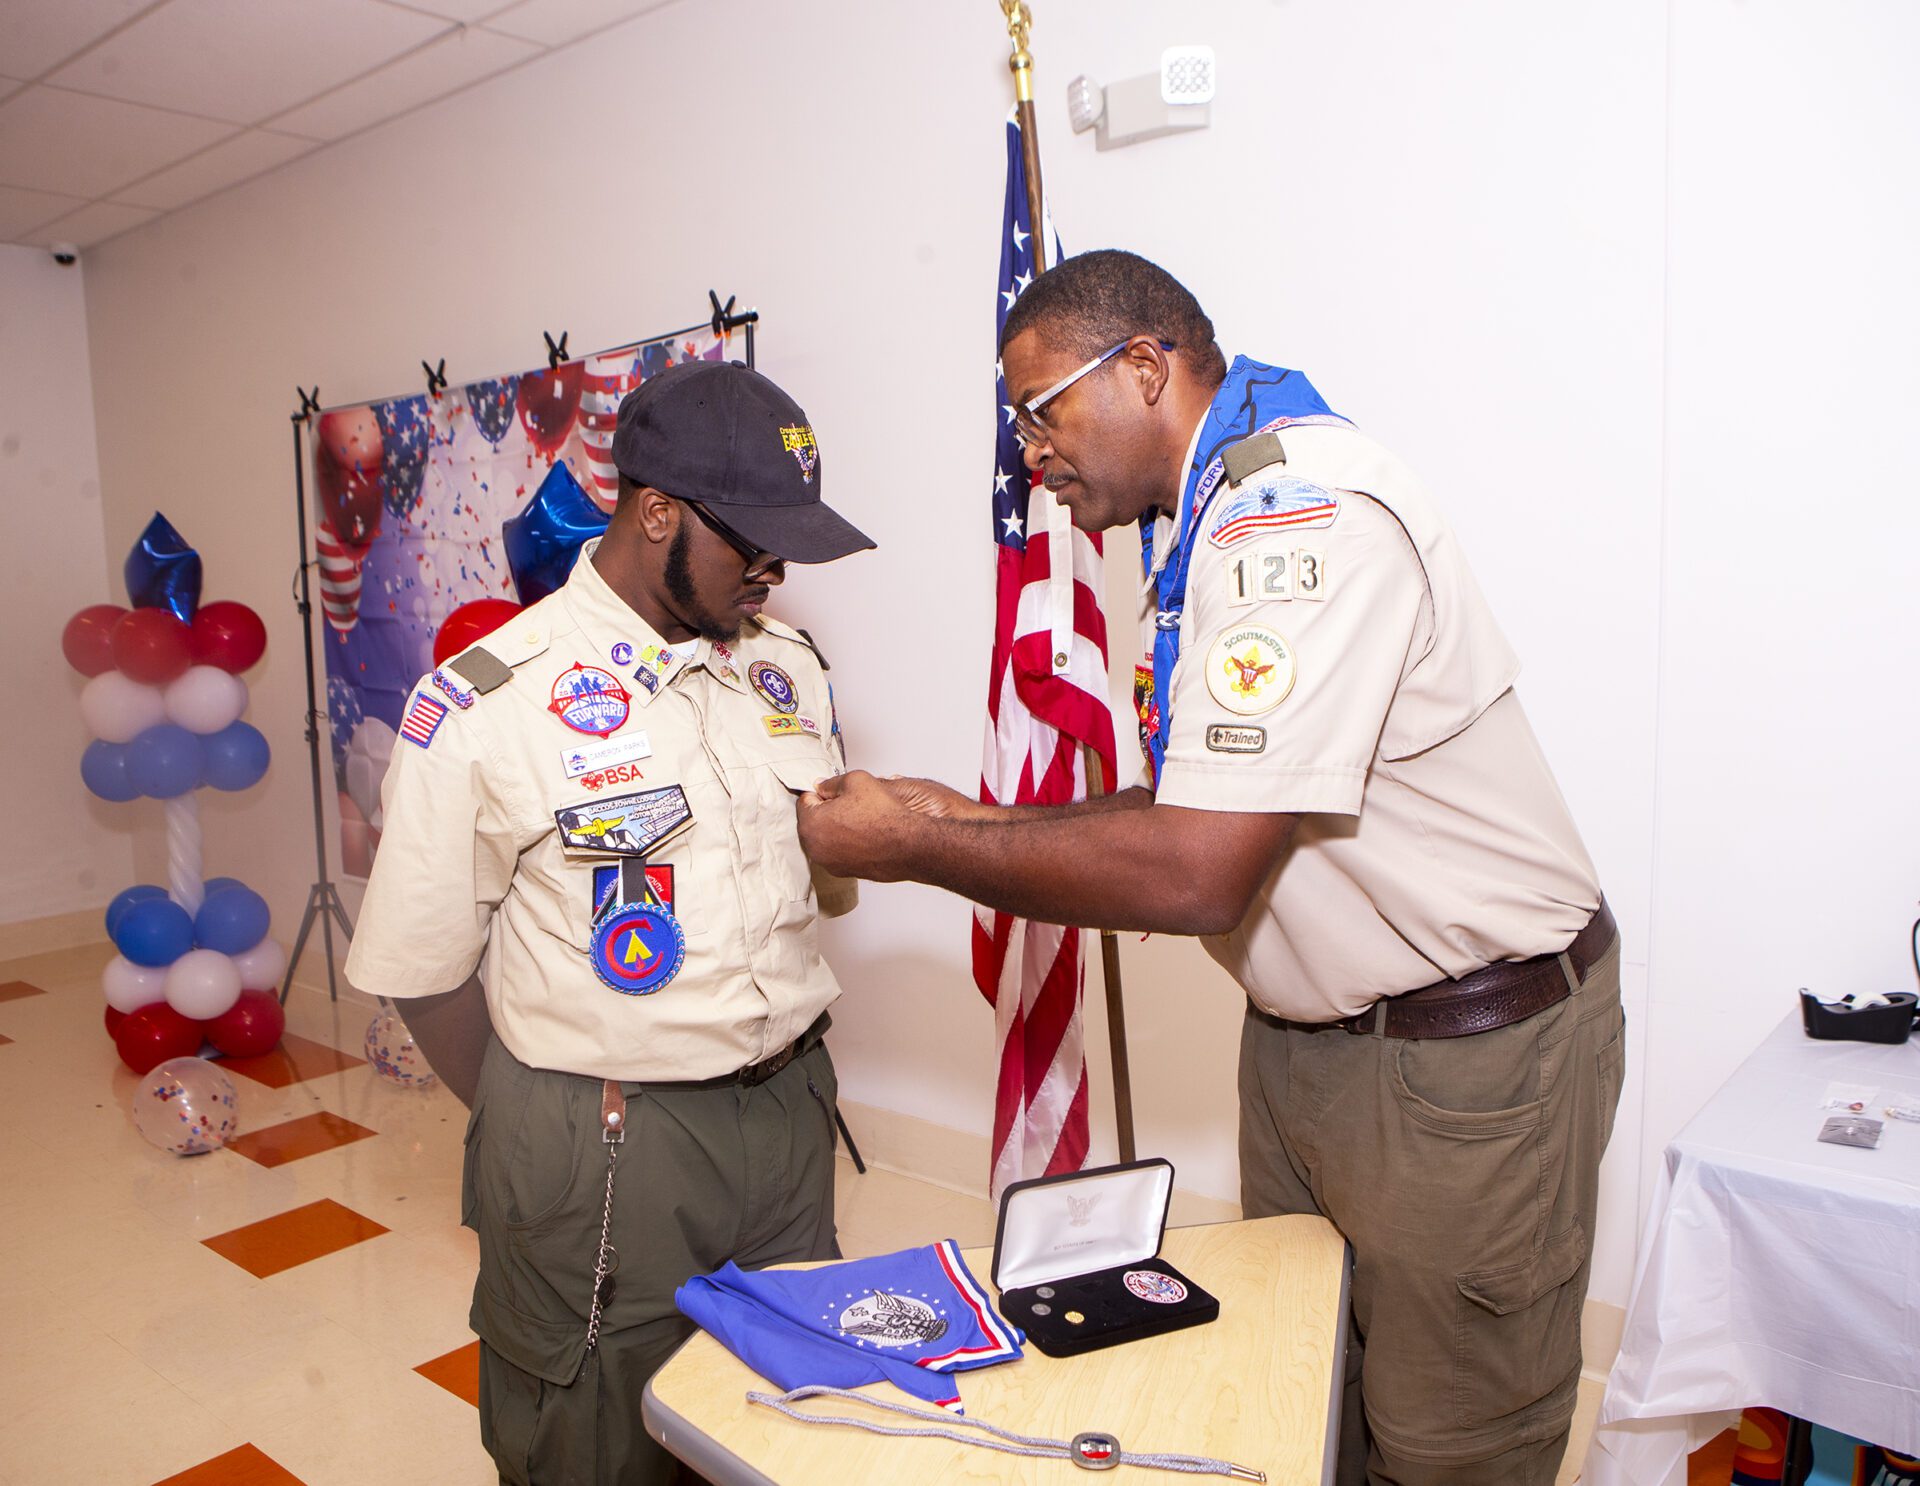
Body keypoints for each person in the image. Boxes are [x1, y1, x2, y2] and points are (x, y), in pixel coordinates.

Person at [795, 250, 1623, 1486]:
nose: (1030, 450)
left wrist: (925, 845)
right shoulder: (1204, 523)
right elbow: (1203, 798)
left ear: (1145, 367)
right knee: (1311, 1399)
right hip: (1313, 1047)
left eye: (1041, 409)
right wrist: (972, 815)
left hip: (1463, 1063)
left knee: (1451, 1448)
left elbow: (1198, 869)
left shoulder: (1306, 516)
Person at [345, 359, 874, 1486]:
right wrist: (559, 1121)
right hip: (608, 1138)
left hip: (785, 1119)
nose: (776, 574)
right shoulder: (493, 701)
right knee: (592, 1444)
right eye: (756, 544)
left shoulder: (786, 669)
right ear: (654, 514)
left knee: (789, 1429)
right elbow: (424, 970)